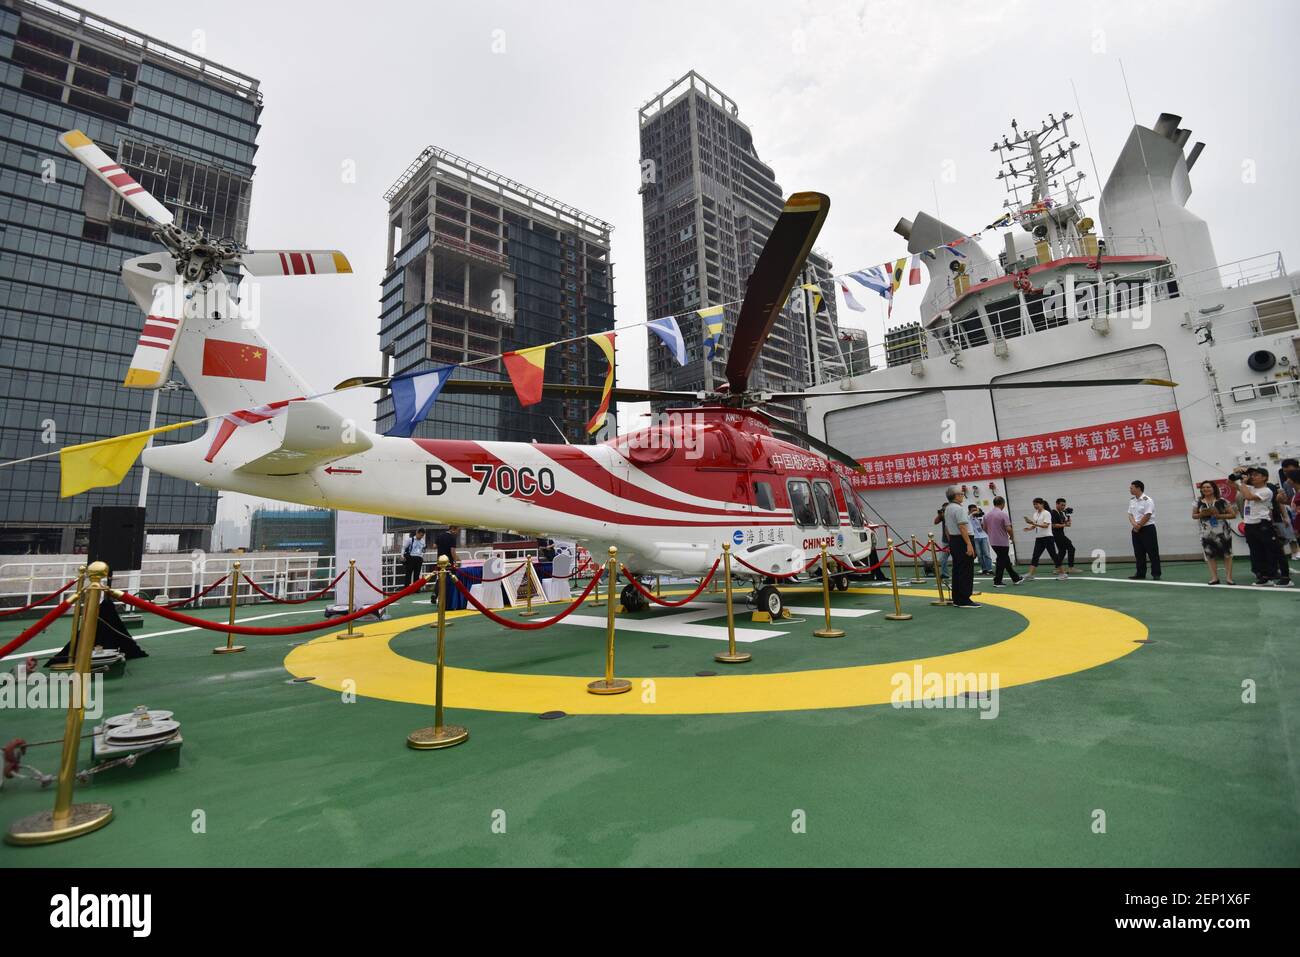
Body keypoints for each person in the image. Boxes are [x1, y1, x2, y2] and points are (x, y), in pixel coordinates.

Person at [1235, 468, 1291, 587]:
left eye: (1256, 475)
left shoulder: (1267, 491)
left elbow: (1249, 497)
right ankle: (1265, 577)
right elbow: (1230, 483)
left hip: (1263, 524)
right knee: (1256, 552)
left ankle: (1285, 577)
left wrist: (1244, 483)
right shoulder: (1250, 488)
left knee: (1275, 550)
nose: (1253, 477)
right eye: (1251, 475)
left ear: (1265, 477)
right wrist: (1237, 474)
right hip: (1249, 525)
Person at [942, 485, 980, 608]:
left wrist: (950, 542)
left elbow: (947, 527)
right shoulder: (959, 509)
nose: (962, 496)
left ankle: (957, 598)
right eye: (961, 494)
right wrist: (969, 544)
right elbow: (962, 527)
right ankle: (964, 598)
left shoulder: (948, 508)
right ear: (956, 496)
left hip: (954, 539)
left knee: (957, 569)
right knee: (966, 569)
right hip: (963, 540)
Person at [1193, 481, 1236, 585]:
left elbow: (1232, 514)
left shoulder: (1222, 501)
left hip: (1223, 531)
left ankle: (1229, 578)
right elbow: (1194, 516)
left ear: (1214, 488)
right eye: (1203, 487)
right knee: (1210, 555)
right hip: (1206, 532)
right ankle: (1214, 578)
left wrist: (1219, 516)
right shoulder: (1198, 501)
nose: (1205, 489)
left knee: (1227, 554)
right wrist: (1201, 514)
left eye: (1208, 487)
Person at [1022, 497, 1065, 581]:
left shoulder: (1046, 513)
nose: (1035, 506)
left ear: (1042, 504)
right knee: (1035, 556)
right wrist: (1029, 528)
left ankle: (1063, 574)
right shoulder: (1035, 514)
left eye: (1037, 504)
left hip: (1048, 537)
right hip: (1039, 538)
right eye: (1034, 504)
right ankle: (1030, 574)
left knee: (1054, 556)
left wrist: (1032, 523)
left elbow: (1046, 526)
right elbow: (1036, 525)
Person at [984, 495, 1022, 587]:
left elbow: (984, 528)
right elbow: (1009, 528)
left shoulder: (987, 515)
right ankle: (997, 581)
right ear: (1003, 504)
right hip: (1002, 541)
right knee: (1002, 560)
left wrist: (991, 534)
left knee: (1004, 559)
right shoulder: (1002, 514)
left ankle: (1015, 578)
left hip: (993, 541)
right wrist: (1012, 537)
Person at [1127, 480, 1161, 580]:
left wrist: (1139, 525)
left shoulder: (1148, 500)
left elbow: (1148, 514)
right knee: (1138, 552)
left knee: (1152, 552)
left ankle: (1156, 573)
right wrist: (1134, 525)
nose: (1130, 489)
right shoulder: (1132, 500)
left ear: (1138, 488)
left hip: (1147, 529)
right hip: (1136, 529)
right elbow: (1130, 514)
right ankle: (1140, 573)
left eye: (1131, 487)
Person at [431, 525, 467, 607]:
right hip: (448, 562)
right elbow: (453, 552)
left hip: (440, 561)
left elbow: (434, 546)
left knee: (440, 577)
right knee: (450, 579)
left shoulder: (440, 536)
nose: (457, 533)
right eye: (457, 530)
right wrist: (457, 560)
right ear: (453, 529)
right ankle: (447, 597)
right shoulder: (452, 538)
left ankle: (435, 594)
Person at [1051, 498, 1077, 574]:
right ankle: (1070, 568)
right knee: (1071, 548)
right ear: (1057, 504)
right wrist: (1065, 524)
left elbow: (1067, 524)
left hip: (1060, 534)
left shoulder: (1061, 513)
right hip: (1056, 534)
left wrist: (1068, 516)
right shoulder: (1053, 513)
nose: (1063, 507)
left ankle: (1057, 568)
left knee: (1062, 551)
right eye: (1062, 505)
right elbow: (1053, 525)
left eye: (1064, 505)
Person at [967, 504, 995, 575]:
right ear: (969, 511)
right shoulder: (968, 517)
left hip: (983, 536)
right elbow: (968, 517)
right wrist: (973, 513)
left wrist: (980, 517)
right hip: (975, 538)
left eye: (976, 510)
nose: (975, 512)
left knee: (986, 553)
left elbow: (985, 526)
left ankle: (990, 569)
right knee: (979, 555)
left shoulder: (980, 517)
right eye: (973, 510)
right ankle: (984, 569)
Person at [932, 502, 951, 581]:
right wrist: (940, 514)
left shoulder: (952, 516)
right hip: (945, 541)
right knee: (943, 559)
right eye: (943, 509)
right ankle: (944, 574)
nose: (944, 510)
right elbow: (935, 522)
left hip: (954, 540)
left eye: (945, 509)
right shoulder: (943, 516)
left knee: (957, 558)